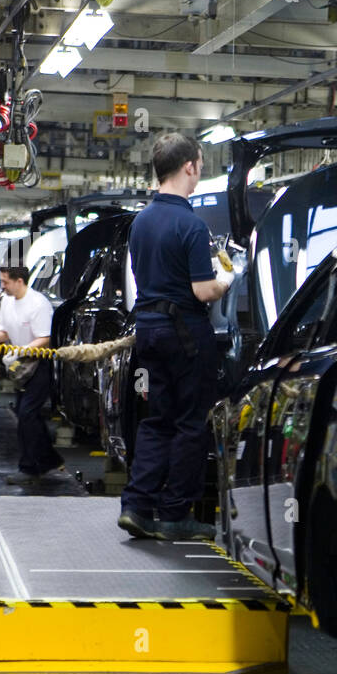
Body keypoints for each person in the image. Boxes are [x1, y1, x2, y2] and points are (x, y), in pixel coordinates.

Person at [117, 132, 232, 542]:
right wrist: (227, 279)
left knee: (156, 421)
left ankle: (136, 505)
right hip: (186, 333)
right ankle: (173, 514)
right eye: (200, 163)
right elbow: (203, 291)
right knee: (189, 423)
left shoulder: (140, 222)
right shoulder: (192, 225)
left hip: (148, 332)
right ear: (190, 167)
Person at [0, 259, 68, 486]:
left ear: (19, 281)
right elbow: (3, 333)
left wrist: (21, 351)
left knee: (27, 414)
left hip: (39, 365)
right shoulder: (7, 301)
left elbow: (45, 339)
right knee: (28, 415)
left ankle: (30, 468)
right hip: (20, 367)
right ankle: (50, 461)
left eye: (5, 282)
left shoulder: (38, 304)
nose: (2, 286)